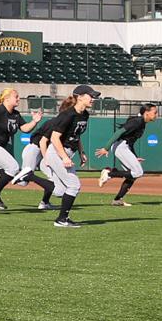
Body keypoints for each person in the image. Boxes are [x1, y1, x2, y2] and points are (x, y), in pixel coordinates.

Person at [43, 85, 97, 228]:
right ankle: (62, 219)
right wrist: (64, 157)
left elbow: (76, 135)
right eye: (90, 96)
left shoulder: (85, 114)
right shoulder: (67, 114)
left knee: (61, 190)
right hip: (57, 152)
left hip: (67, 152)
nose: (93, 99)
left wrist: (81, 152)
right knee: (74, 185)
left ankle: (62, 218)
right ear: (79, 97)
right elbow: (54, 138)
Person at [96, 103, 158, 206]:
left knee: (132, 176)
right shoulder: (137, 122)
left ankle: (117, 200)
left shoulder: (142, 123)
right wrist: (106, 148)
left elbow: (131, 142)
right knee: (138, 172)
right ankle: (109, 173)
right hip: (120, 146)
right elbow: (118, 133)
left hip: (125, 147)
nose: (156, 115)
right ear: (147, 113)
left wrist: (134, 156)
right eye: (155, 112)